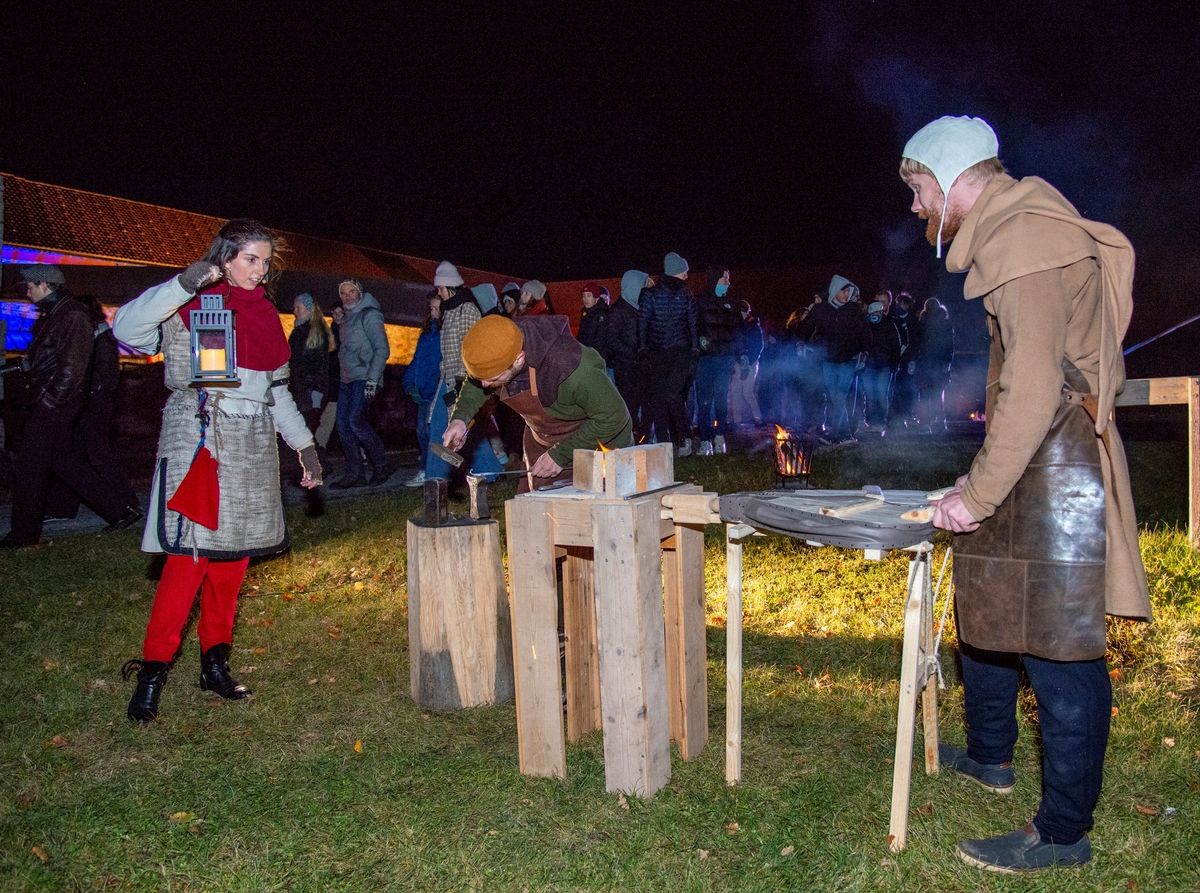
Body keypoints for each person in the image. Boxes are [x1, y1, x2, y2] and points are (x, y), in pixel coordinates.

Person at [902, 115, 1151, 872]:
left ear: (950, 181)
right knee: (990, 588)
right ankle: (991, 754)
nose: (915, 208)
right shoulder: (1019, 229)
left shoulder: (1023, 239)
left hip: (1061, 465)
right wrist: (976, 487)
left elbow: (1037, 386)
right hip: (1039, 454)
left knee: (1062, 646)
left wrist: (977, 496)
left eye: (918, 190)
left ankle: (1065, 831)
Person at [112, 219, 322, 723]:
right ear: (225, 256)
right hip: (200, 441)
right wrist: (185, 284)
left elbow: (276, 393)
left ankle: (214, 664)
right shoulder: (188, 302)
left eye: (266, 262)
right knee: (188, 562)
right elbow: (127, 330)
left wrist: (306, 447)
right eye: (251, 259)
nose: (260, 270)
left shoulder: (268, 316)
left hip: (251, 446)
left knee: (231, 566)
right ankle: (153, 673)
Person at [1, 266, 142, 548]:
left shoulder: (72, 315)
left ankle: (23, 536)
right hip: (56, 401)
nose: (27, 292)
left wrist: (52, 400)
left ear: (46, 285)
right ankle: (119, 511)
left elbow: (73, 366)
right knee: (64, 461)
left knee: (30, 465)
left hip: (56, 403)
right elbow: (51, 359)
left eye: (29, 286)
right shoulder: (60, 314)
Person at [443, 314, 631, 491]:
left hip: (597, 444)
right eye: (481, 378)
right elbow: (477, 383)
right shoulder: (499, 346)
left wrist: (560, 454)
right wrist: (460, 419)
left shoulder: (572, 366)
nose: (485, 386)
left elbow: (613, 417)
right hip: (542, 444)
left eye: (493, 378)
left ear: (519, 359)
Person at [44, 294, 141, 520]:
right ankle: (64, 508)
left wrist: (90, 393)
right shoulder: (96, 334)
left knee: (93, 454)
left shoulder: (98, 335)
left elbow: (106, 374)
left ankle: (127, 503)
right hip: (90, 401)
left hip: (93, 403)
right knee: (77, 455)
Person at [426, 261, 503, 481]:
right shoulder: (449, 311)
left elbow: (472, 348)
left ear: (449, 286)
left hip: (462, 378)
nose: (438, 293)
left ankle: (436, 479)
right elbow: (447, 351)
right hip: (448, 378)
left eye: (440, 288)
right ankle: (489, 471)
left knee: (448, 427)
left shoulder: (467, 309)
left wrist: (462, 382)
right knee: (460, 428)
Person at [330, 278, 392, 489]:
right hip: (347, 379)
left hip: (365, 377)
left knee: (356, 421)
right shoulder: (347, 319)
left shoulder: (369, 314)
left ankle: (383, 464)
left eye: (351, 292)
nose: (347, 296)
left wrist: (373, 380)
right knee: (342, 425)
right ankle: (355, 473)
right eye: (343, 293)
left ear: (360, 293)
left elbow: (382, 349)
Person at [797, 275, 871, 442]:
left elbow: (865, 332)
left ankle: (835, 434)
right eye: (843, 291)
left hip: (848, 359)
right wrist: (801, 342)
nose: (846, 295)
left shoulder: (853, 310)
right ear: (835, 291)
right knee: (834, 396)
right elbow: (806, 326)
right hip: (828, 360)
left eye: (848, 291)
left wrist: (865, 352)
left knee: (840, 395)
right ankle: (846, 435)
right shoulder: (821, 309)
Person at [638, 252, 698, 455]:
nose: (687, 276)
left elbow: (692, 326)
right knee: (658, 398)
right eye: (684, 272)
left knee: (672, 394)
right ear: (675, 272)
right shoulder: (651, 295)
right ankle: (665, 444)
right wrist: (643, 350)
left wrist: (694, 353)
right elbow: (643, 324)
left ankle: (685, 437)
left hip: (680, 351)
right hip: (657, 353)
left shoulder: (686, 295)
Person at [694, 265, 740, 454]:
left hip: (724, 360)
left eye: (728, 279)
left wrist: (740, 353)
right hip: (705, 360)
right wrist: (698, 344)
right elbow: (691, 327)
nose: (728, 283)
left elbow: (738, 331)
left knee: (721, 400)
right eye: (724, 279)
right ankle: (705, 440)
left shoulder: (730, 304)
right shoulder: (699, 302)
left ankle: (719, 436)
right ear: (714, 280)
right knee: (704, 402)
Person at [401, 291, 443, 487]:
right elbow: (417, 361)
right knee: (422, 432)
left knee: (430, 432)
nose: (434, 312)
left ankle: (430, 471)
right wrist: (409, 383)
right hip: (421, 391)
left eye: (438, 308)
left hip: (434, 391)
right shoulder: (426, 335)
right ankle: (427, 470)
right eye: (432, 308)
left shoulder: (445, 335)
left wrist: (427, 387)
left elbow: (439, 366)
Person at [607, 270, 649, 440]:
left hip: (641, 366)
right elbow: (611, 339)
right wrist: (633, 353)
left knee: (646, 404)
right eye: (642, 285)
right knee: (630, 406)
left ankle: (644, 438)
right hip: (626, 368)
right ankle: (629, 440)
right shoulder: (618, 311)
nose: (645, 289)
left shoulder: (640, 309)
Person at [287, 293, 332, 439]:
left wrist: (316, 393)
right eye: (294, 308)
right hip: (300, 390)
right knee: (301, 433)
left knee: (305, 434)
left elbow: (320, 365)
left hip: (309, 393)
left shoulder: (316, 333)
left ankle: (316, 461)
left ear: (309, 309)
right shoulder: (298, 332)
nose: (295, 311)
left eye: (298, 308)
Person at [859, 297, 903, 434]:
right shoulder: (865, 326)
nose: (876, 315)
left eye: (879, 312)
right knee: (871, 395)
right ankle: (872, 422)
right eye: (874, 312)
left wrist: (894, 364)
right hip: (869, 366)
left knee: (882, 395)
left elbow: (896, 345)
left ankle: (882, 422)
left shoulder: (889, 325)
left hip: (884, 365)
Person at [913, 297, 955, 432]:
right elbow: (950, 346)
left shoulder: (922, 323)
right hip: (936, 363)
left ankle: (925, 423)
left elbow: (916, 344)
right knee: (937, 395)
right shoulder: (945, 324)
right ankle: (940, 423)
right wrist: (946, 363)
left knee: (925, 395)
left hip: (925, 363)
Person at [728, 299, 764, 432]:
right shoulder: (735, 325)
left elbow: (759, 345)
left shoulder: (753, 325)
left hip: (750, 362)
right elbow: (732, 344)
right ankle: (737, 420)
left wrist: (749, 361)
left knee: (747, 392)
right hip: (737, 362)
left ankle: (758, 418)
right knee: (735, 391)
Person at [576, 282, 610, 364]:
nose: (585, 299)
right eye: (584, 296)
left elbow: (600, 340)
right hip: (587, 358)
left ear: (596, 298)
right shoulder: (585, 313)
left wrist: (590, 356)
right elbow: (581, 336)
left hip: (598, 360)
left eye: (589, 296)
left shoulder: (602, 314)